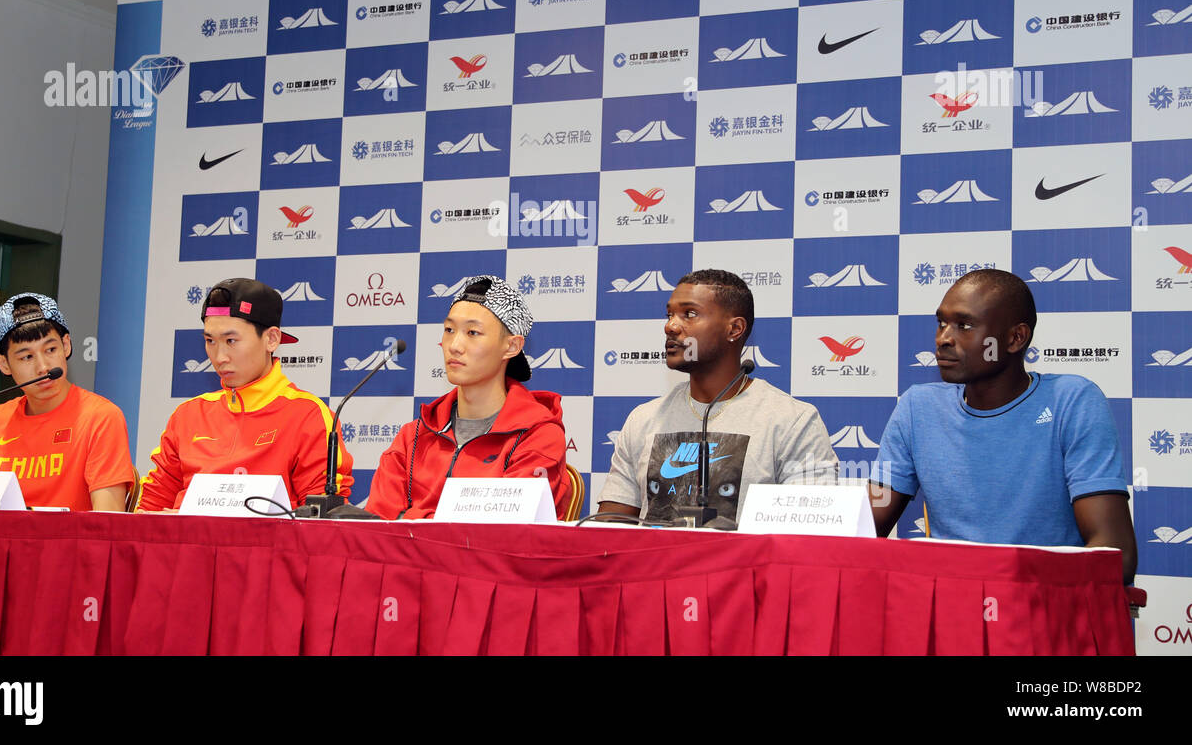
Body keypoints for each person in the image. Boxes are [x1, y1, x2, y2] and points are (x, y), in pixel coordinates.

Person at [868, 269, 1137, 582]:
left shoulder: (1072, 401)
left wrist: (1001, 584)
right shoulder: (917, 407)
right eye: (941, 323)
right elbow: (865, 528)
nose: (943, 339)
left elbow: (1115, 552)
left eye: (964, 325)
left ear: (1015, 338)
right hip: (949, 612)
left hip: (1042, 613)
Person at [598, 269, 838, 526]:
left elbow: (812, 534)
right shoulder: (643, 419)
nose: (671, 326)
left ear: (734, 329)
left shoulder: (792, 421)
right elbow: (608, 529)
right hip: (654, 565)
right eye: (669, 315)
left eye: (689, 314)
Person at [367, 275, 571, 519]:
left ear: (512, 347)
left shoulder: (538, 436)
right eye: (449, 330)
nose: (455, 345)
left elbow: (503, 535)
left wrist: (414, 520)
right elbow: (376, 530)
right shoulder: (412, 437)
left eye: (473, 332)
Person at [137, 278, 351, 511]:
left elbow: (321, 521)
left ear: (271, 339)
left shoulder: (308, 415)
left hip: (271, 548)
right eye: (210, 341)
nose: (219, 357)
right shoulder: (187, 415)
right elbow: (150, 507)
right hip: (187, 548)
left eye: (231, 341)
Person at [0, 293, 134, 511]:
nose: (43, 367)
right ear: (4, 364)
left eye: (51, 350)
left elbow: (108, 520)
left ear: (66, 345)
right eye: (26, 357)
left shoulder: (101, 417)